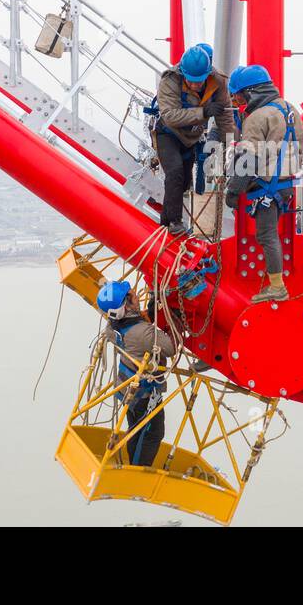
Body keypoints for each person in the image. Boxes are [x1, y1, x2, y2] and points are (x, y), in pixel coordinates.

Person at [224, 65, 303, 303]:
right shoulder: (290, 110)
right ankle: (276, 283)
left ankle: (277, 287)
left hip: (267, 188)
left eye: (238, 95)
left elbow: (250, 159)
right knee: (271, 235)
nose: (237, 100)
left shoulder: (257, 118)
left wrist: (233, 190)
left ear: (252, 92)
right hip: (287, 184)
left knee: (267, 235)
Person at [154, 43, 236, 236]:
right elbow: (170, 116)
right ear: (183, 73)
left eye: (199, 81)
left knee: (183, 183)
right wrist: (203, 112)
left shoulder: (218, 83)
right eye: (191, 80)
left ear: (208, 74)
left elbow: (225, 117)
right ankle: (174, 222)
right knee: (174, 173)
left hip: (191, 138)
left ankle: (166, 223)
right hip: (168, 134)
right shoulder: (170, 81)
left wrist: (229, 144)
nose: (195, 85)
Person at [97, 280, 175, 468]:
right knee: (152, 433)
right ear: (126, 305)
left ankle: (134, 463)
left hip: (126, 391)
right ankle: (138, 469)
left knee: (135, 429)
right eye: (132, 295)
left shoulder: (113, 327)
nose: (136, 294)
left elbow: (133, 322)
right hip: (144, 395)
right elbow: (170, 348)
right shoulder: (142, 333)